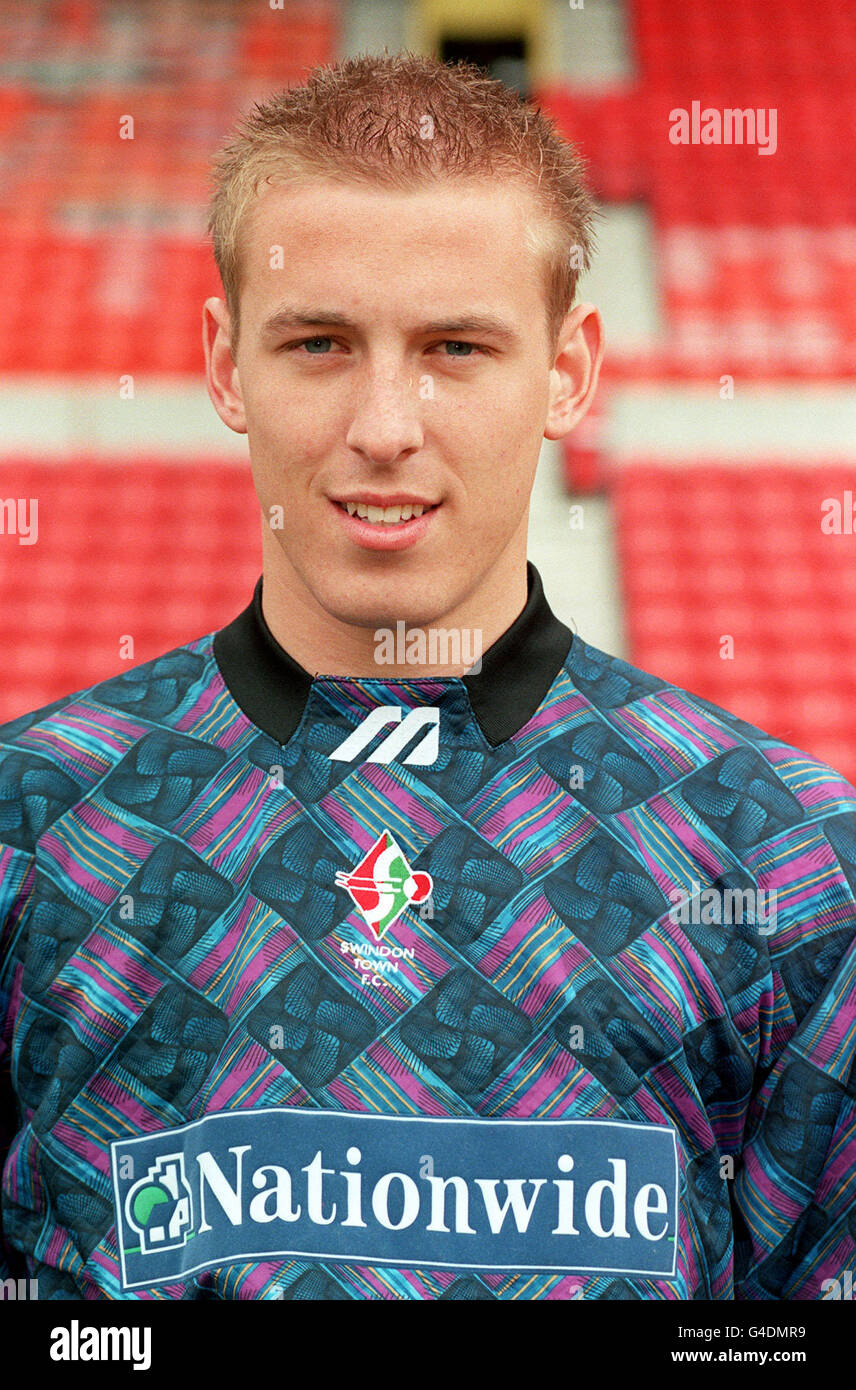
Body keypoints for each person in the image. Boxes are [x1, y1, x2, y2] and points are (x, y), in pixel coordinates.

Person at [0, 51, 853, 1302]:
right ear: (227, 364)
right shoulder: (31, 827)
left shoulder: (782, 860)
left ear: (568, 371)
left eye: (456, 346)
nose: (386, 424)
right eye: (321, 343)